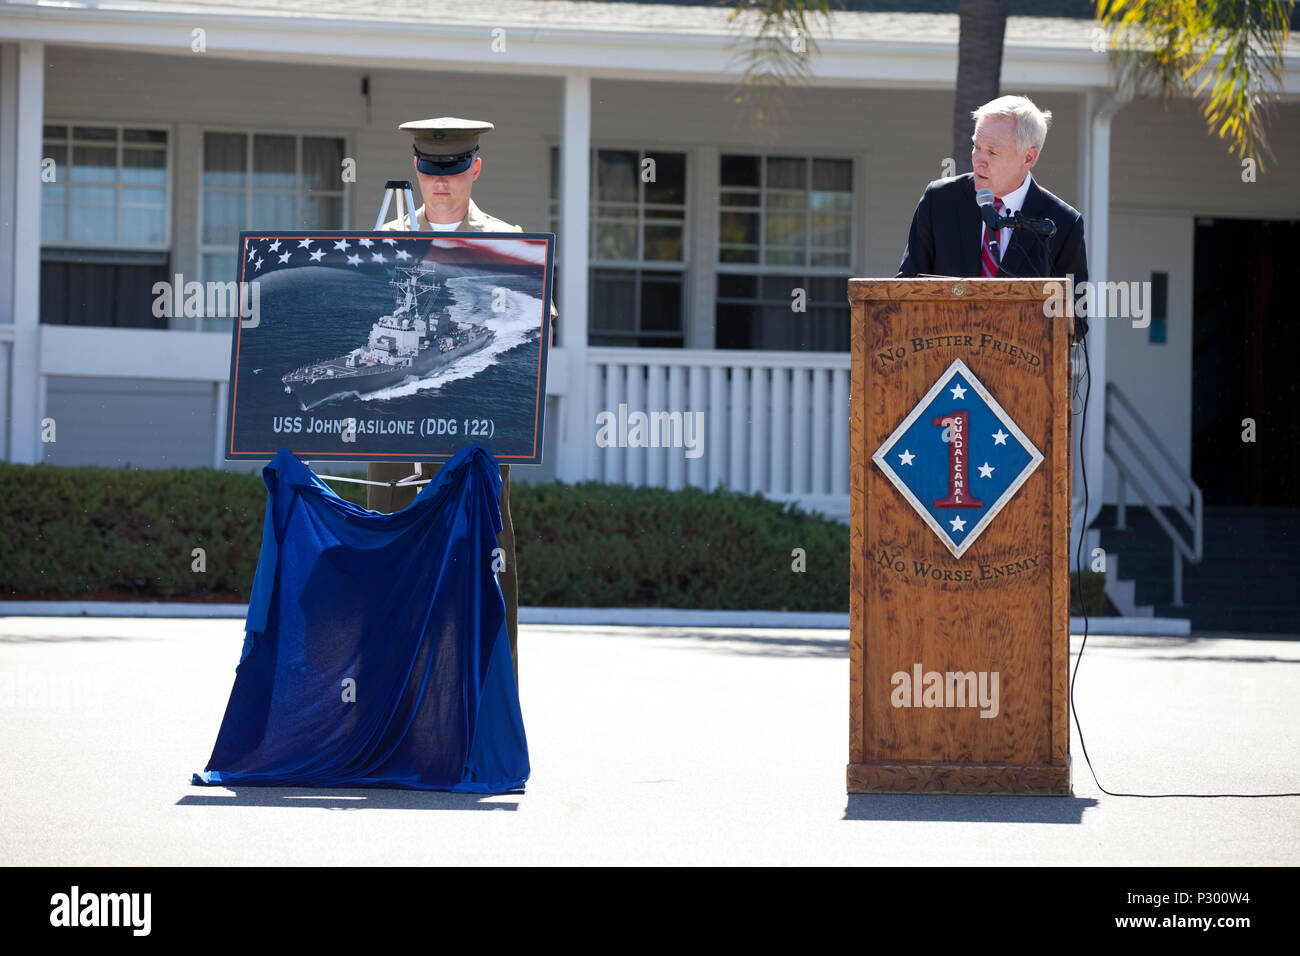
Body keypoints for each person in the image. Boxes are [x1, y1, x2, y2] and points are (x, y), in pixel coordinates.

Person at [365, 117, 555, 686]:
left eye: (452, 169)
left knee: (485, 570)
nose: (441, 181)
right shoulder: (386, 241)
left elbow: (538, 332)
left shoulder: (506, 240)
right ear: (415, 170)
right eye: (430, 170)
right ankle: (389, 705)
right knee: (391, 567)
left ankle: (485, 708)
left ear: (475, 168)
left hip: (477, 433)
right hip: (397, 433)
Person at [897, 95, 1088, 284]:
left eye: (992, 152)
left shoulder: (1064, 223)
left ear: (1028, 157)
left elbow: (1073, 303)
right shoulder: (939, 200)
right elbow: (904, 290)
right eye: (976, 147)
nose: (978, 160)